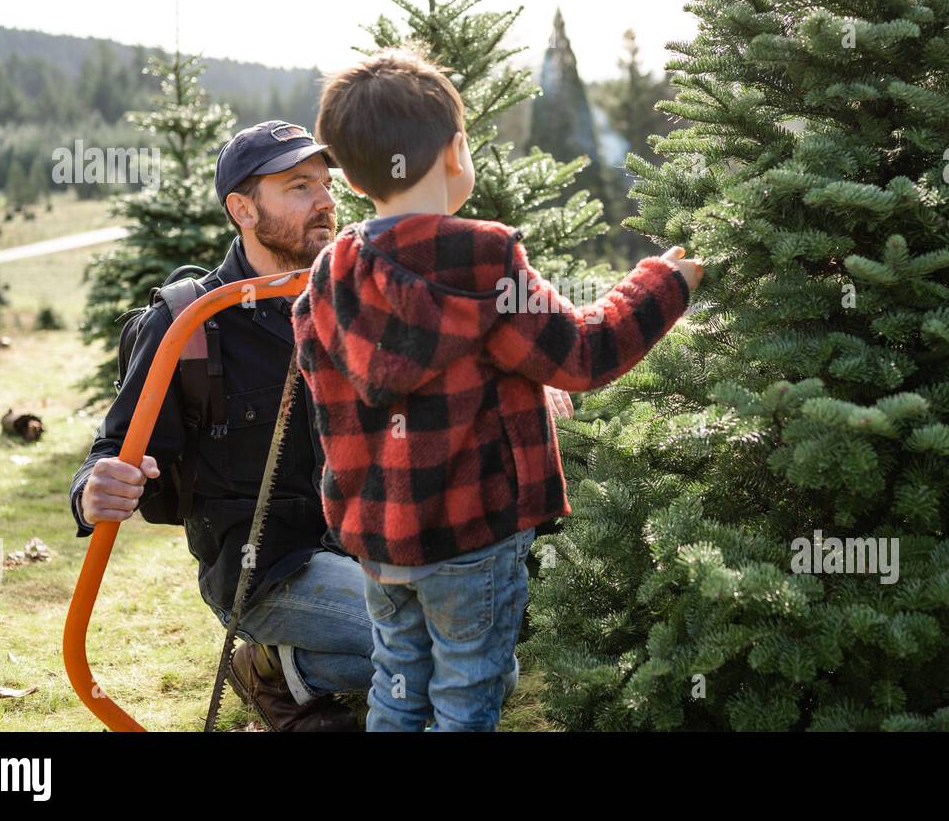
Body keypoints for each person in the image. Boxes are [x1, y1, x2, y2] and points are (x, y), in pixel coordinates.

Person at [291, 47, 706, 731]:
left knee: (398, 684)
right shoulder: (482, 260)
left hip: (377, 540)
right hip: (470, 538)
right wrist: (662, 285)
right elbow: (580, 353)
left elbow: (380, 381)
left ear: (357, 178)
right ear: (457, 152)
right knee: (469, 689)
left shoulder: (329, 273)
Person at [69, 120, 370, 731]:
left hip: (368, 545)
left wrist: (528, 378)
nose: (325, 200)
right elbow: (114, 450)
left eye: (324, 183)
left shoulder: (355, 296)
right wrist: (92, 492)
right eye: (297, 186)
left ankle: (281, 675)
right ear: (243, 209)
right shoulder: (192, 323)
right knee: (434, 644)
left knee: (482, 651)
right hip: (269, 570)